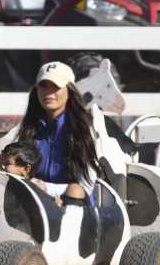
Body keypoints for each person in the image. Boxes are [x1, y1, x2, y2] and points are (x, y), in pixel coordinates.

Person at [16, 61, 100, 202]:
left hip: (76, 206)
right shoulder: (28, 128)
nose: (49, 92)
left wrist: (49, 190)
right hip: (36, 202)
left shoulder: (85, 129)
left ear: (69, 90)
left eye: (55, 86)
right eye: (43, 86)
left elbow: (86, 185)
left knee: (74, 191)